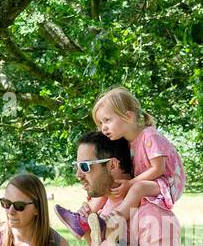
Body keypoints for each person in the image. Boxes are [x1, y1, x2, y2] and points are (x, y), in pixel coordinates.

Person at [56, 87, 186, 237]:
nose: (103, 127)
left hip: (168, 182)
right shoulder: (128, 142)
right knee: (109, 183)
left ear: (128, 116)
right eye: (100, 123)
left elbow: (158, 169)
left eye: (107, 120)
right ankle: (82, 220)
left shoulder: (150, 136)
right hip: (147, 180)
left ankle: (111, 222)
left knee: (137, 189)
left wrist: (131, 183)